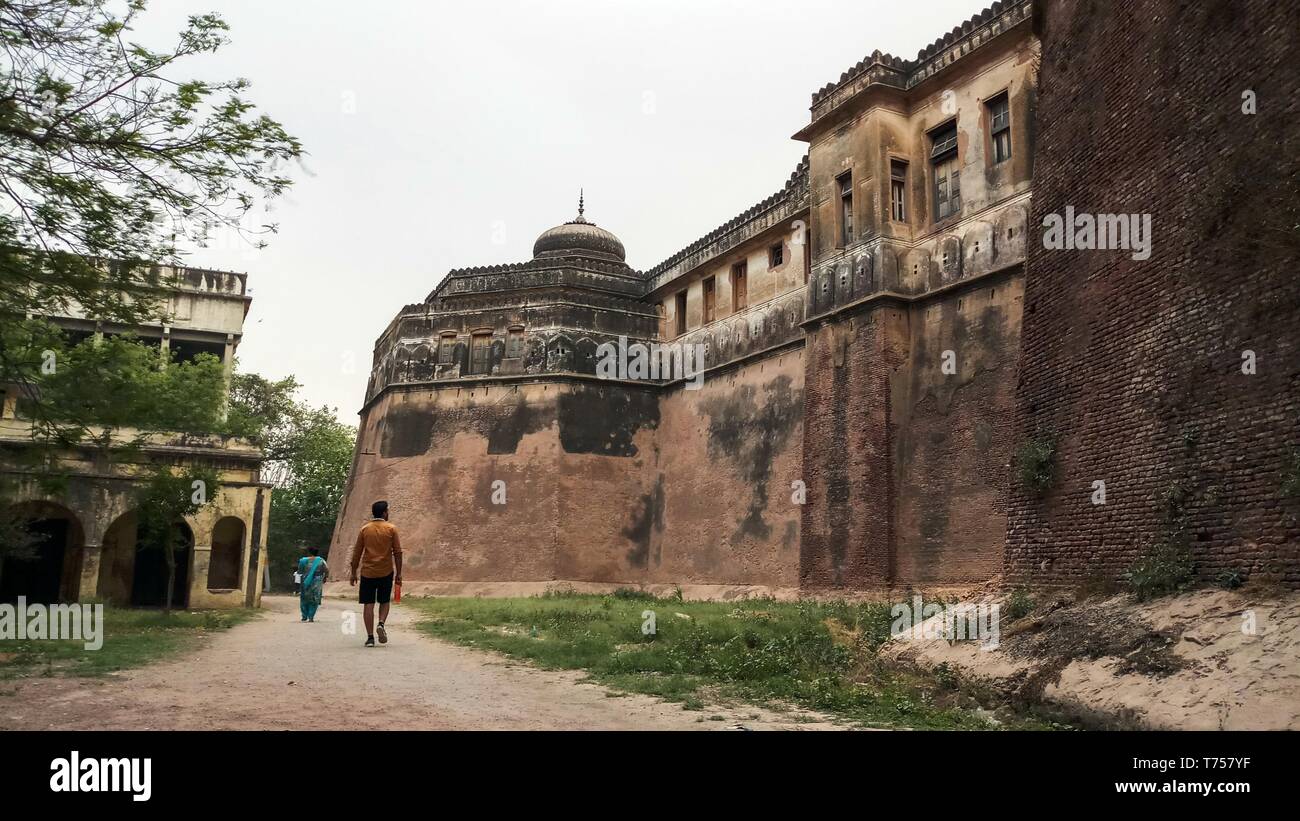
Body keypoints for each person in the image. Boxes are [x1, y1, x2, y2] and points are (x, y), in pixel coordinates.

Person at [350, 500, 403, 647]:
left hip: (368, 572)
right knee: (384, 601)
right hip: (386, 571)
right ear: (385, 512)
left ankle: (370, 637)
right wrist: (399, 573)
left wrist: (353, 572)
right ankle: (381, 623)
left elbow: (357, 553)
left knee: (368, 603)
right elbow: (398, 552)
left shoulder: (365, 530)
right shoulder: (391, 529)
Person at [297, 547, 328, 622]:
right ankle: (311, 617)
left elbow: (300, 571)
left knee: (304, 598)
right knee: (314, 598)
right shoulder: (321, 561)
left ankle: (304, 616)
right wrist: (324, 578)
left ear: (309, 553)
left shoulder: (303, 561)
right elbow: (326, 570)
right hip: (317, 581)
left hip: (305, 581)